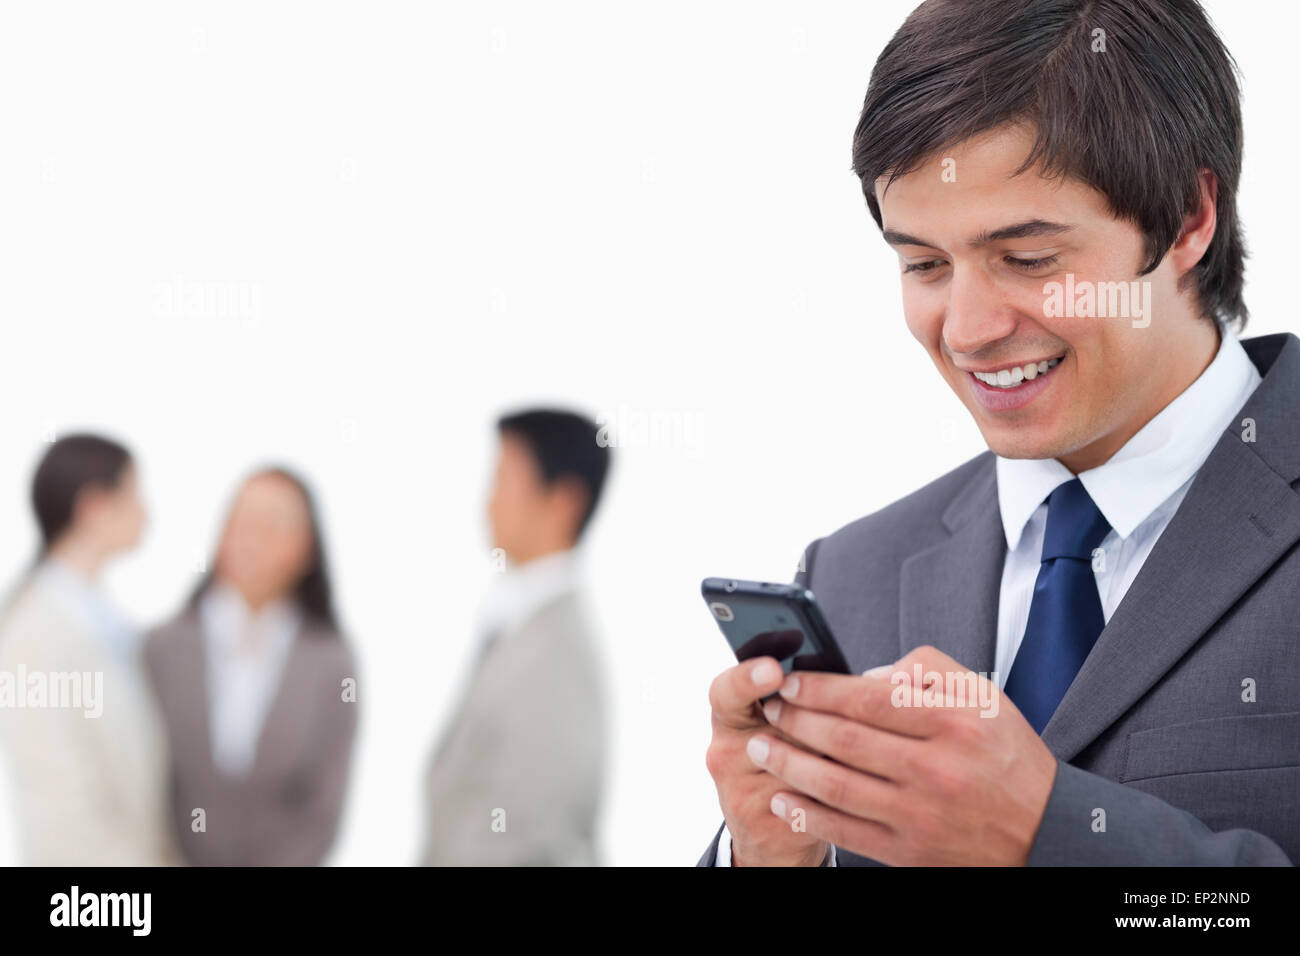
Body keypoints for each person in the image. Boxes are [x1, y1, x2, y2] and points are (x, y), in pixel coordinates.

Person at [701, 0, 1298, 866]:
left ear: (1188, 220)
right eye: (925, 265)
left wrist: (1044, 836)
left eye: (1028, 259)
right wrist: (765, 855)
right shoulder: (853, 575)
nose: (969, 329)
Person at [420, 408, 611, 865]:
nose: (489, 503)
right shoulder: (518, 624)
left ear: (563, 501)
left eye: (504, 480)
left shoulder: (558, 654)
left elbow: (536, 839)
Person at [143, 467, 358, 865]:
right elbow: (142, 781)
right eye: (242, 519)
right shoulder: (161, 647)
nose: (252, 536)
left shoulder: (331, 661)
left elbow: (323, 805)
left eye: (273, 523)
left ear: (307, 549)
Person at [0, 434, 176, 865]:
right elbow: (60, 803)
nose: (145, 512)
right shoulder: (31, 632)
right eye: (133, 493)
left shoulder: (104, 621)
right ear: (94, 506)